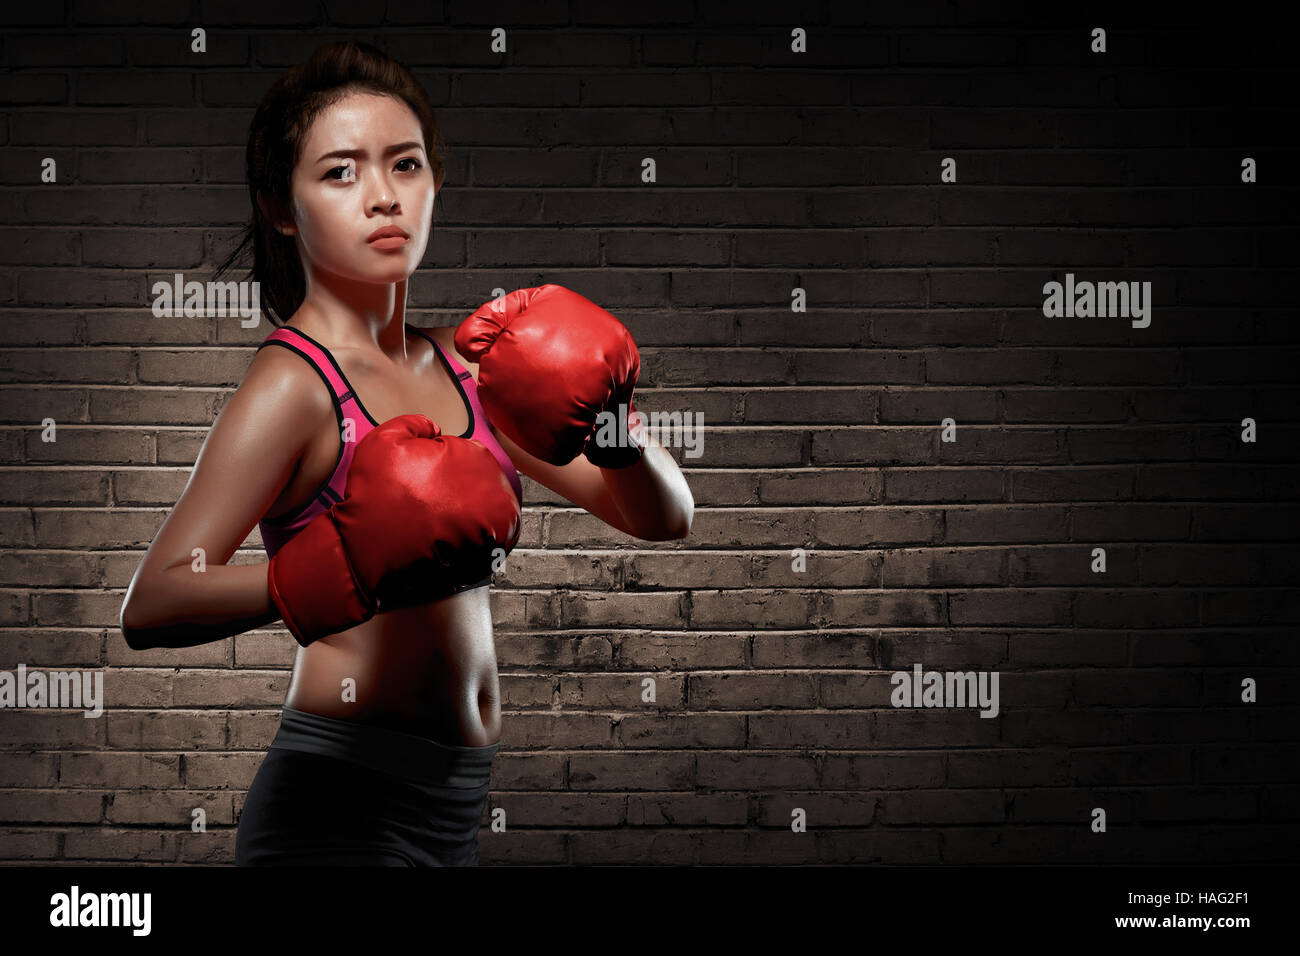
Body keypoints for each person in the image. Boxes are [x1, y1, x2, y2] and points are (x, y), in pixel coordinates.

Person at [117, 40, 694, 866]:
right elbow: (153, 605)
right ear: (283, 207)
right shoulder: (295, 385)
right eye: (341, 172)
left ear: (435, 183)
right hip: (338, 807)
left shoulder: (471, 368)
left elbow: (663, 517)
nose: (383, 197)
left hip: (456, 802)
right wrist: (339, 567)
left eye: (406, 165)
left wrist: (608, 421)